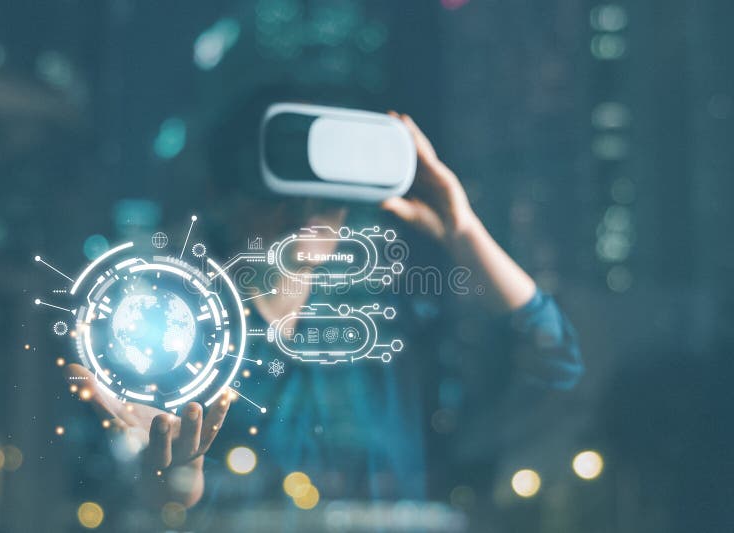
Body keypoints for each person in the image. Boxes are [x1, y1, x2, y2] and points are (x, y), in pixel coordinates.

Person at [67, 106, 583, 517]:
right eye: (281, 191)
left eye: (324, 194)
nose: (307, 212)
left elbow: (557, 362)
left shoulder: (392, 325)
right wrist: (175, 479)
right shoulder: (174, 344)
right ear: (223, 196)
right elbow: (150, 495)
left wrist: (463, 230)